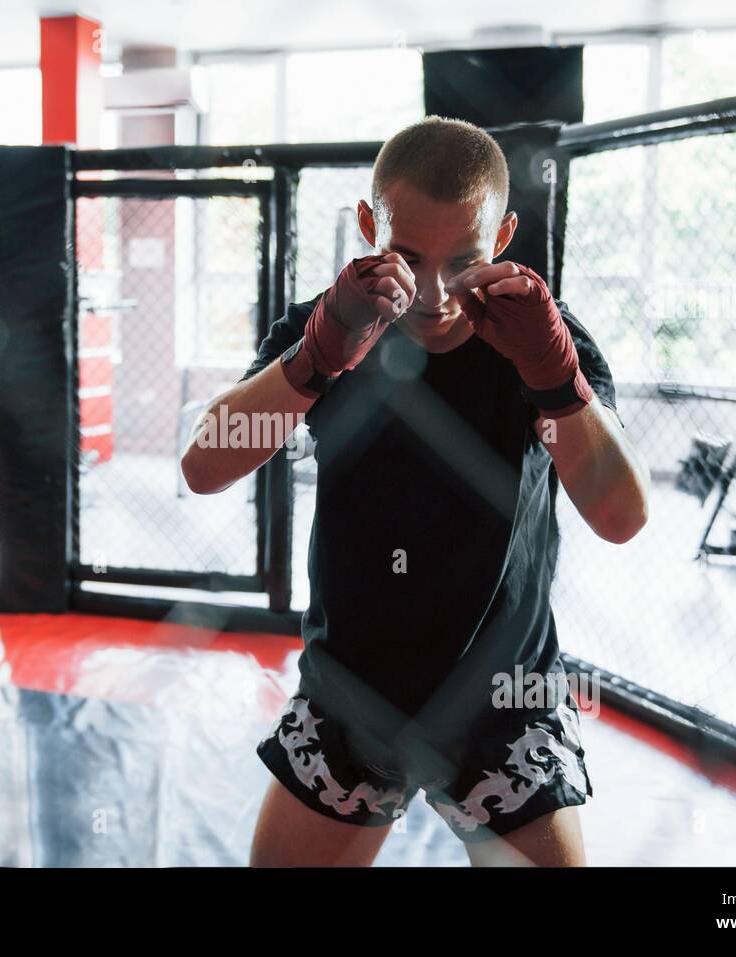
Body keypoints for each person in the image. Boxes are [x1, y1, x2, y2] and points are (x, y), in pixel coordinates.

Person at [181, 117, 651, 867]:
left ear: (502, 238)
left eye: (461, 259)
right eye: (407, 256)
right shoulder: (331, 324)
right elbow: (204, 465)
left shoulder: (540, 340)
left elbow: (622, 517)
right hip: (350, 691)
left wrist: (557, 387)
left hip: (505, 701)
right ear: (369, 226)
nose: (432, 293)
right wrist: (315, 361)